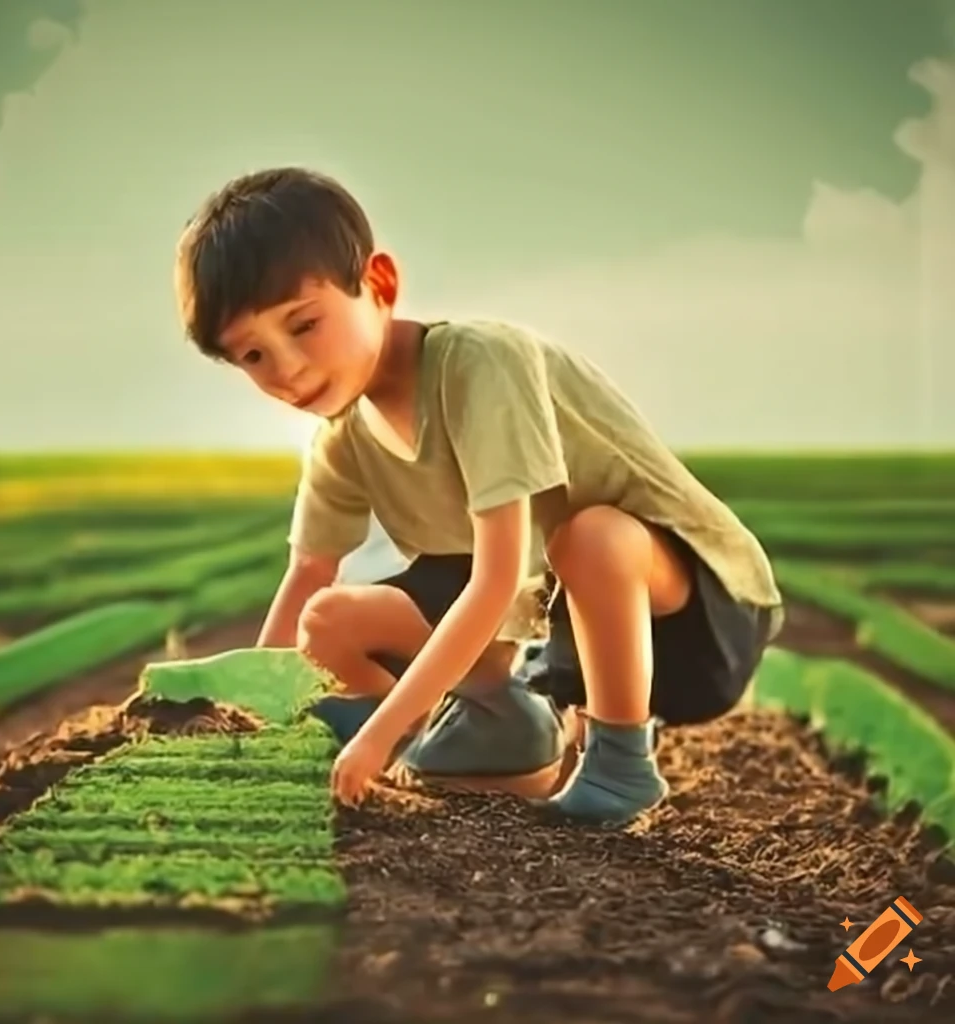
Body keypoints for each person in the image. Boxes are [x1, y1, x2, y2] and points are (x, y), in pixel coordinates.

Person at [173, 167, 784, 824]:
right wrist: (254, 708)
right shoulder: (342, 435)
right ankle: (501, 722)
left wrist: (380, 737)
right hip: (564, 635)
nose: (287, 370)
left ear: (378, 285)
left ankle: (620, 765)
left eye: (304, 325)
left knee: (590, 534)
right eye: (253, 357)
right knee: (325, 621)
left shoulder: (480, 364)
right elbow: (307, 575)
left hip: (699, 621)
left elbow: (496, 581)